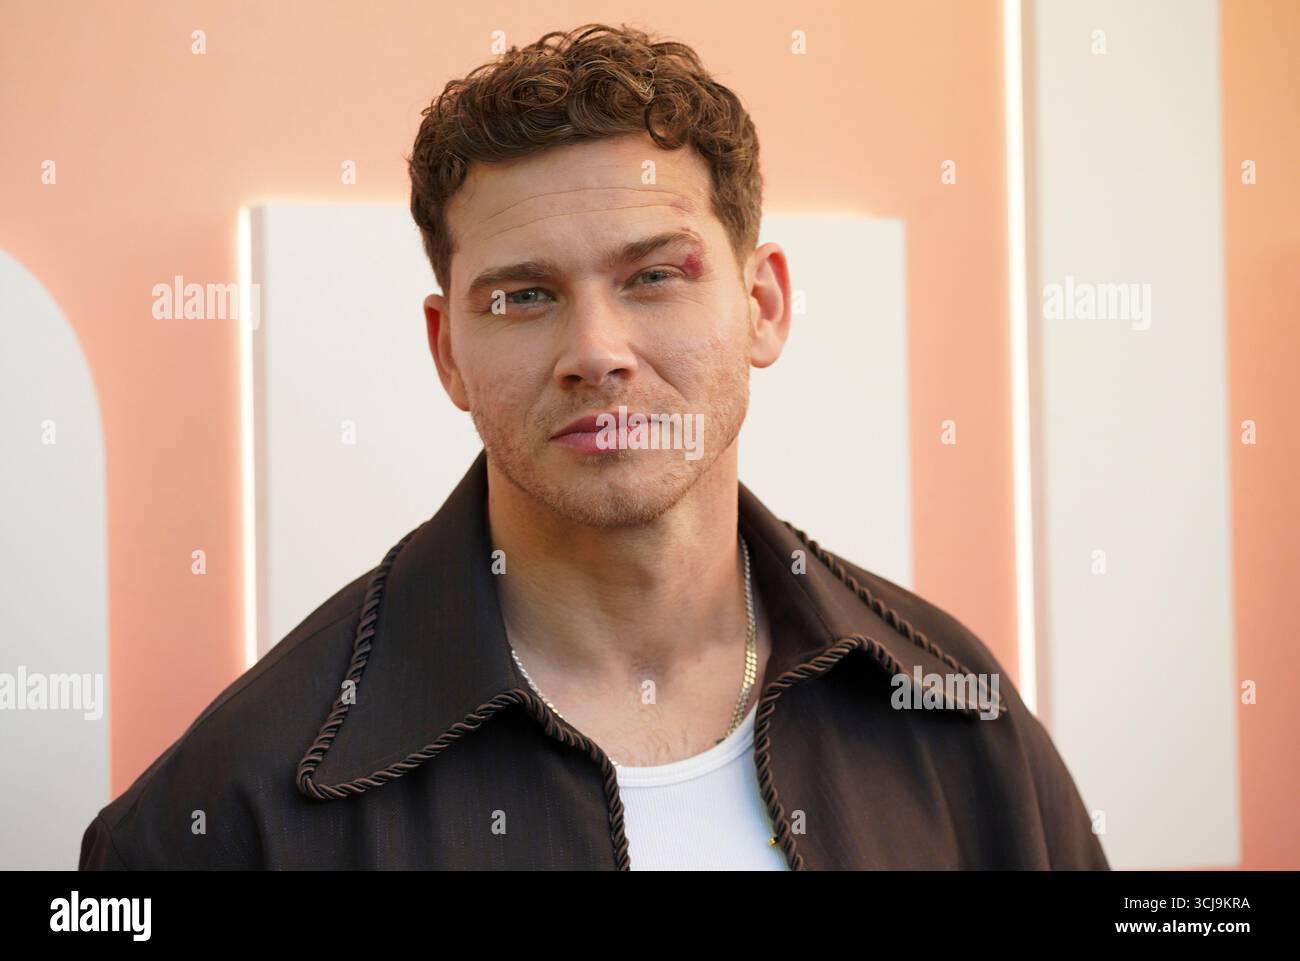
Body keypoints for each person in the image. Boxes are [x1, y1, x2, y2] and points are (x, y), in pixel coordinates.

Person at [80, 22, 1108, 870]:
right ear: (447, 351)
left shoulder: (951, 712)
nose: (595, 352)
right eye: (524, 296)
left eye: (653, 275)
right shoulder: (240, 799)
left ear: (761, 305)